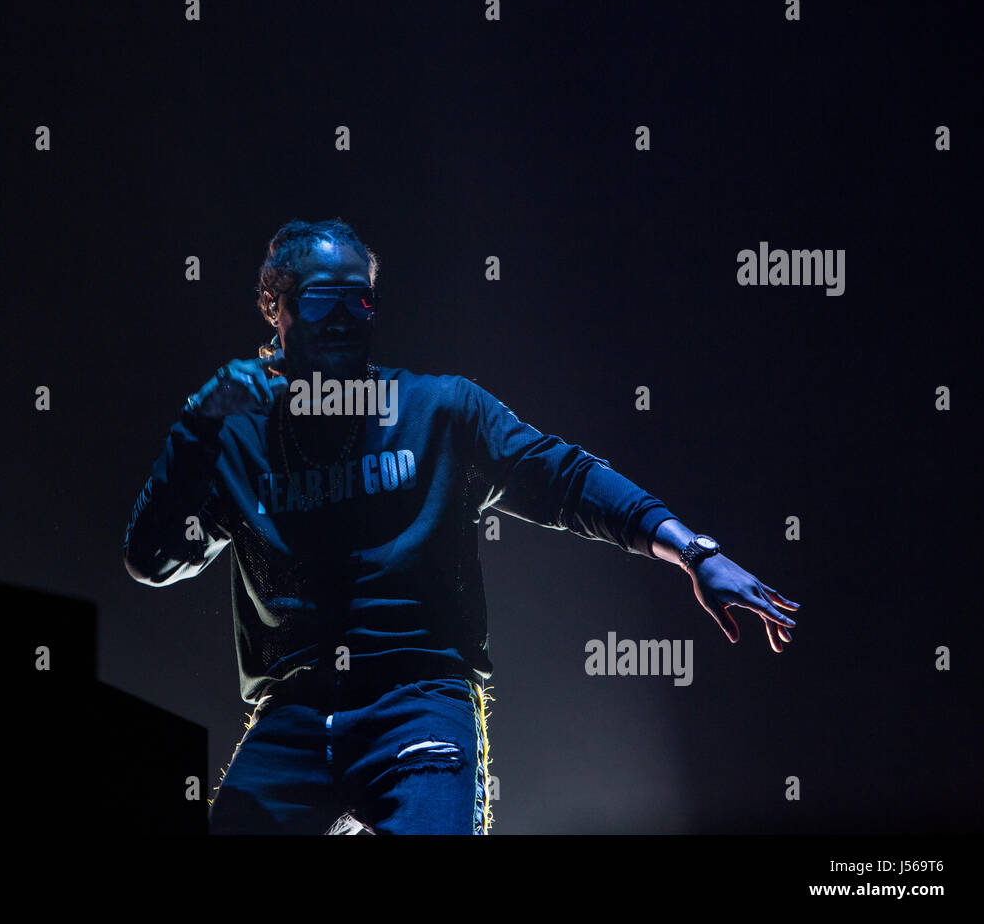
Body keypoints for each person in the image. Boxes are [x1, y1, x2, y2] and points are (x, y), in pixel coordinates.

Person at [122, 218, 801, 834]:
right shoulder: (236, 440)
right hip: (292, 715)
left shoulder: (439, 409)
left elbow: (564, 478)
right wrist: (199, 421)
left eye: (360, 298)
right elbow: (151, 557)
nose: (344, 317)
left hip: (417, 701)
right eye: (322, 298)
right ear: (278, 309)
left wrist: (691, 549)